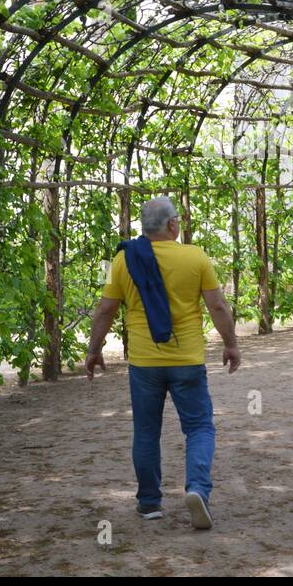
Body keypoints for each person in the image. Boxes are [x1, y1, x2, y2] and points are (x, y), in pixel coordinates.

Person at [85, 196, 240, 530]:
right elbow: (217, 307)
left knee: (145, 432)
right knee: (199, 427)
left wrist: (93, 350)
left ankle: (149, 503)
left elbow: (106, 310)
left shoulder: (124, 259)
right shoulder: (195, 256)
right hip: (187, 361)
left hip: (144, 363)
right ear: (172, 225)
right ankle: (197, 489)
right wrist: (231, 344)